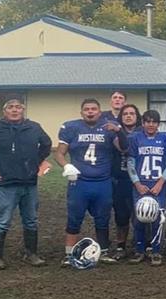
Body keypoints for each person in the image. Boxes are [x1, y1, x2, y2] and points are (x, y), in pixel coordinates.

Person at [0, 95, 52, 269]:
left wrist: (36, 161)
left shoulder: (34, 127)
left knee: (31, 220)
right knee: (3, 220)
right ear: (4, 111)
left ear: (23, 110)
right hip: (6, 184)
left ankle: (31, 254)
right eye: (10, 107)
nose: (15, 110)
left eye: (18, 107)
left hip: (30, 183)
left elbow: (47, 144)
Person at [55, 98, 129, 266]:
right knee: (74, 217)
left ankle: (103, 252)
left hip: (102, 182)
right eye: (87, 109)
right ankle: (69, 254)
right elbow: (59, 154)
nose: (90, 111)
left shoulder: (108, 127)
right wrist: (67, 166)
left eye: (93, 109)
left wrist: (119, 131)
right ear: (81, 112)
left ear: (99, 111)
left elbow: (124, 148)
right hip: (79, 181)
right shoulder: (71, 127)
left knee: (102, 218)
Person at [126, 110, 166, 266]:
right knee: (139, 218)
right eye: (147, 121)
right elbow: (131, 163)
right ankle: (139, 250)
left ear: (158, 124)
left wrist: (160, 183)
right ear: (143, 123)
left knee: (157, 219)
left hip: (158, 185)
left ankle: (155, 251)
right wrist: (137, 184)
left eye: (154, 122)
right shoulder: (135, 139)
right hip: (140, 184)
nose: (151, 125)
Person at [110, 103, 142, 260]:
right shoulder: (114, 133)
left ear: (137, 117)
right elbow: (124, 148)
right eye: (125, 114)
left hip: (140, 180)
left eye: (132, 113)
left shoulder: (143, 133)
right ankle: (121, 246)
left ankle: (141, 244)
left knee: (140, 215)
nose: (128, 116)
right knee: (121, 216)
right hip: (121, 178)